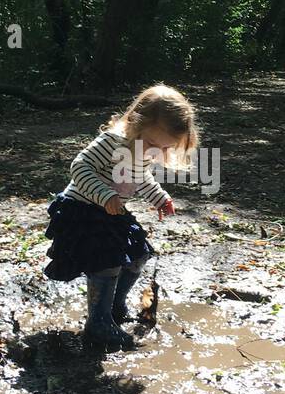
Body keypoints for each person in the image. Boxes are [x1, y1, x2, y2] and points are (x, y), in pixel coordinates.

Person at [43, 84, 199, 348]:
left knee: (138, 254)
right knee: (107, 261)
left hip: (112, 211)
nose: (155, 152)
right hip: (83, 209)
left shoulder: (144, 148)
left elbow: (141, 176)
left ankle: (114, 305)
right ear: (136, 123)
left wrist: (159, 197)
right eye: (151, 143)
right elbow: (79, 167)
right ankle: (98, 323)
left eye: (164, 148)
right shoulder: (113, 142)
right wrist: (104, 195)